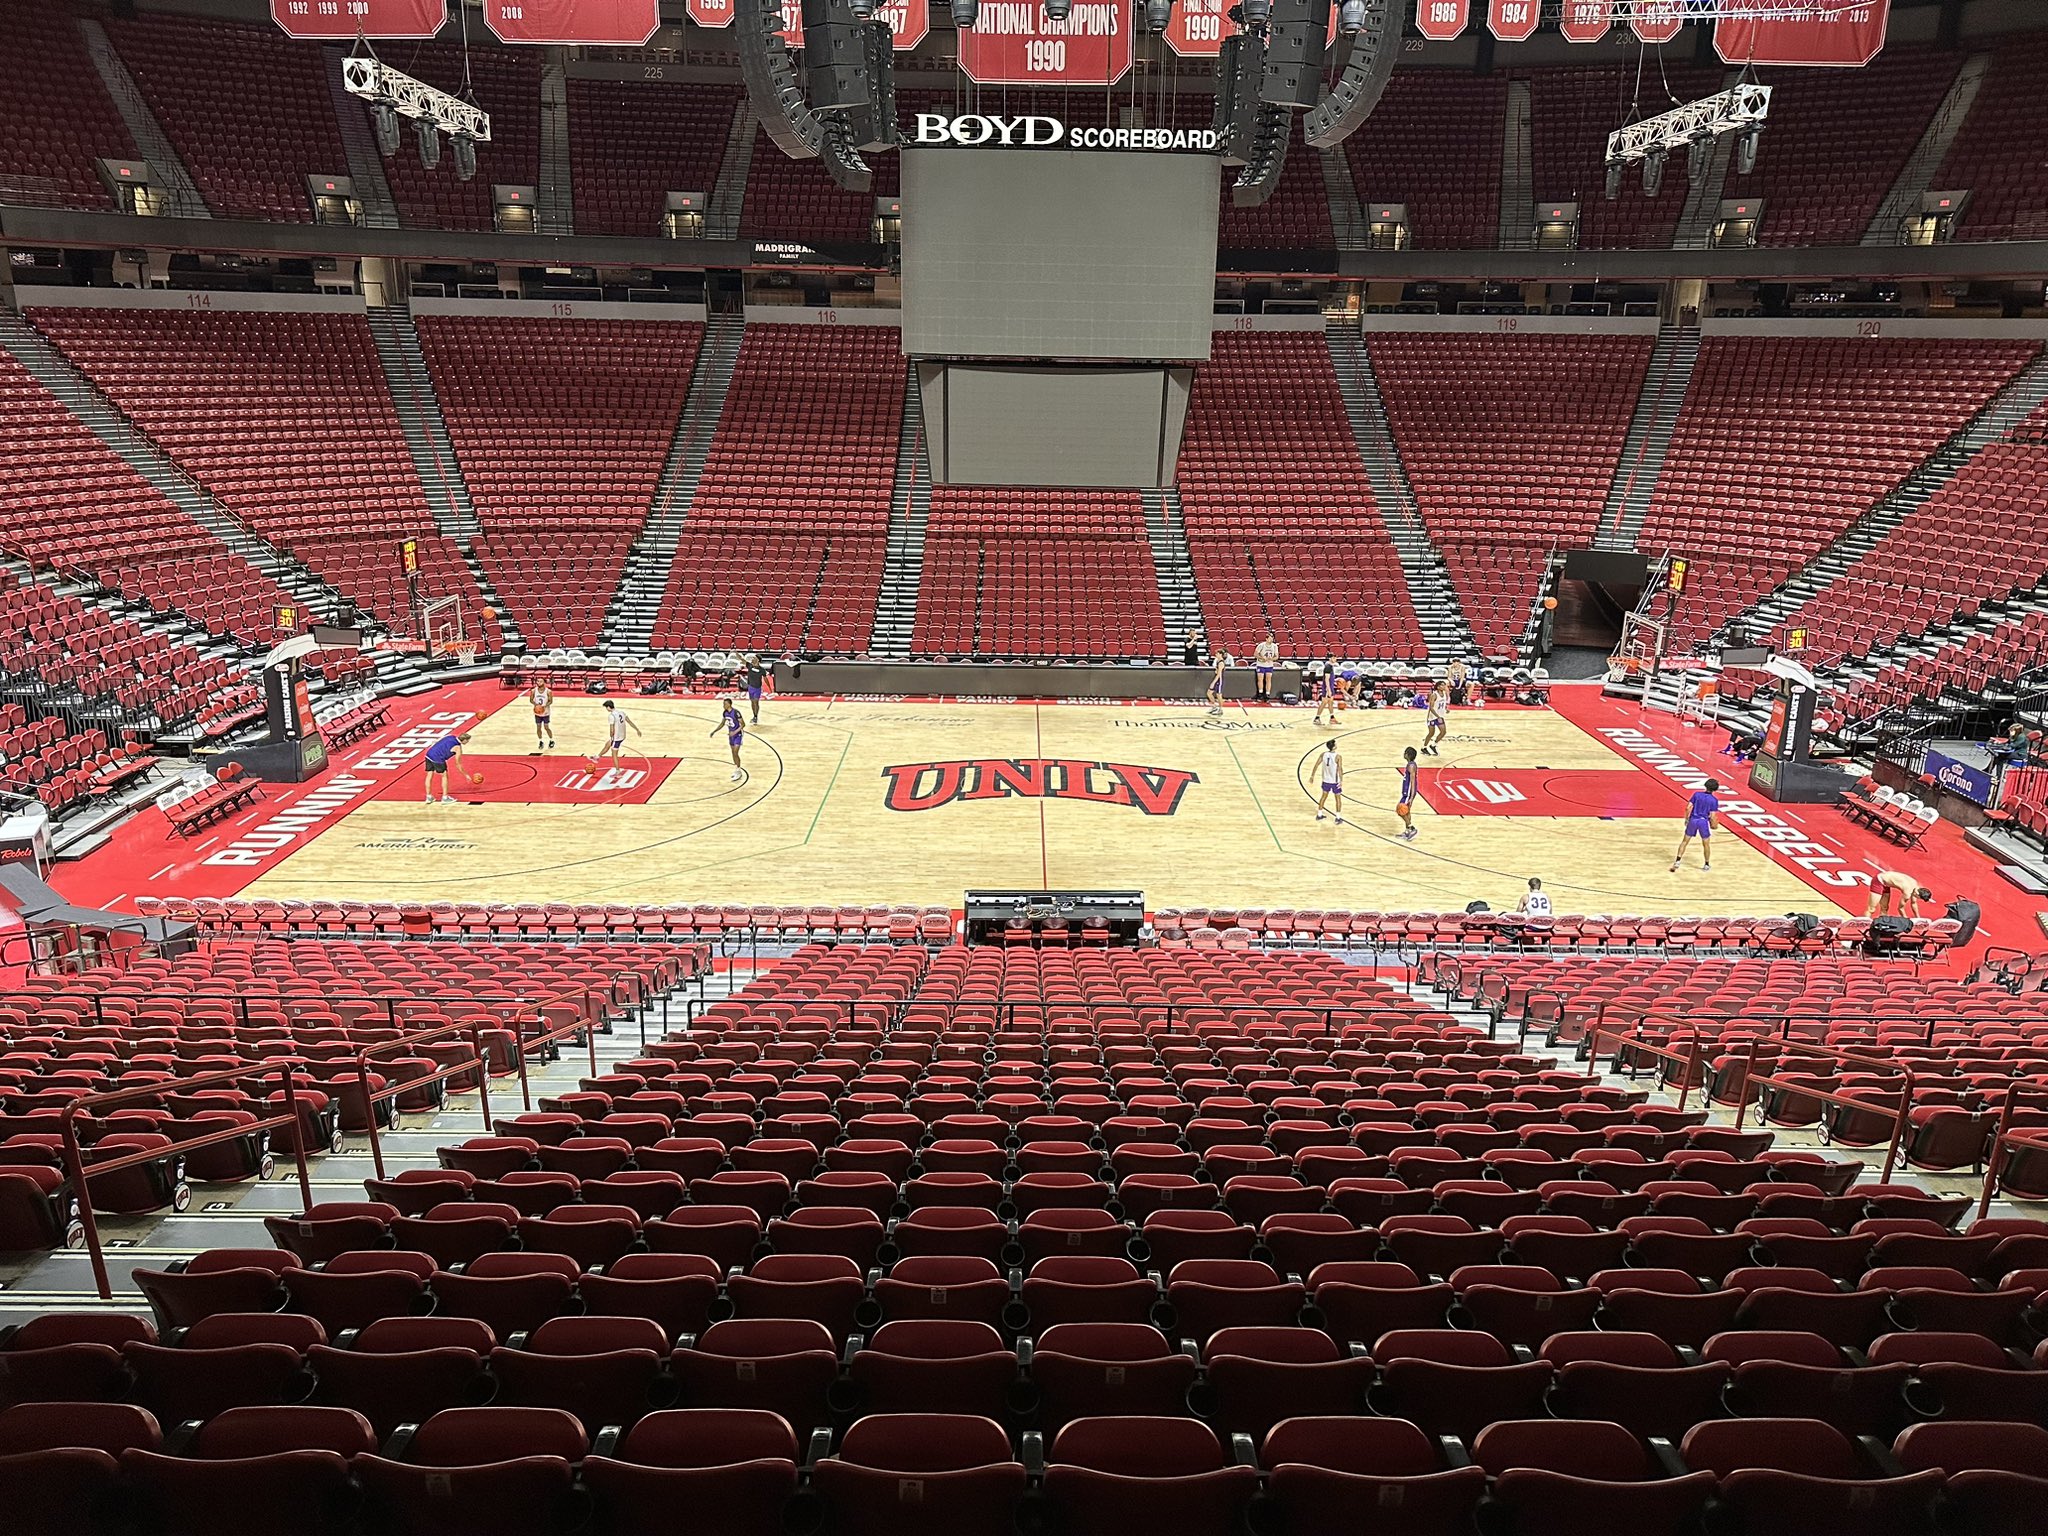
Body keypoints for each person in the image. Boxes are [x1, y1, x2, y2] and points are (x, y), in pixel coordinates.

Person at [1670, 777, 1719, 872]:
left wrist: (1687, 819)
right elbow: (1712, 816)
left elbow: (1688, 808)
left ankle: (1677, 861)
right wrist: (1714, 825)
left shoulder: (1697, 794)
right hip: (1703, 822)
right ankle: (1706, 864)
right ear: (1715, 789)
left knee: (1684, 841)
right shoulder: (1714, 800)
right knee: (1706, 844)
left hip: (1693, 820)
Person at [421, 730, 473, 805]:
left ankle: (428, 797)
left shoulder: (450, 736)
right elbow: (458, 764)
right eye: (467, 741)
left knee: (429, 775)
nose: (467, 742)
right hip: (438, 759)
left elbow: (435, 742)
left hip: (429, 755)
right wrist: (466, 775)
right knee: (444, 776)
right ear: (464, 740)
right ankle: (445, 798)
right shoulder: (457, 748)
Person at [590, 699, 641, 770]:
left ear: (608, 707)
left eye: (606, 707)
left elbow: (612, 730)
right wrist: (637, 729)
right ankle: (597, 757)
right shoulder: (621, 712)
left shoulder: (611, 716)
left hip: (617, 737)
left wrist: (612, 736)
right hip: (622, 735)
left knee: (614, 755)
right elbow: (629, 722)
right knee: (607, 744)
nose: (606, 709)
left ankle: (617, 771)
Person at [1866, 870, 1932, 920]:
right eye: (1920, 898)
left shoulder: (1915, 886)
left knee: (1884, 908)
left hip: (1886, 883)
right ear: (1918, 894)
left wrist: (1918, 918)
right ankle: (1864, 926)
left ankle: (1882, 925)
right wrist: (1906, 920)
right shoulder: (1907, 892)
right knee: (1871, 909)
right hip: (1879, 881)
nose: (1918, 899)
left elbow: (1913, 903)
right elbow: (1900, 908)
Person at [712, 697, 746, 782]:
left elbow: (743, 724)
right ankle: (737, 769)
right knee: (733, 753)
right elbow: (722, 723)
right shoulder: (725, 713)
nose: (723, 705)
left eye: (725, 704)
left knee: (735, 752)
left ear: (729, 704)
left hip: (738, 734)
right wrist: (714, 731)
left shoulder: (736, 712)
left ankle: (738, 770)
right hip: (731, 735)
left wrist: (735, 732)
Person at [1314, 739, 1344, 825]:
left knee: (1323, 797)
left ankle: (1319, 814)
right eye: (1335, 744)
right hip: (1335, 782)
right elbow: (1340, 769)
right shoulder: (1338, 757)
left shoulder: (1323, 754)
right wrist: (1341, 780)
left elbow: (1316, 765)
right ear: (1333, 747)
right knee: (1338, 799)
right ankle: (1338, 818)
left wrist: (1312, 776)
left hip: (1325, 780)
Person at [1396, 746, 1420, 841]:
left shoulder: (1411, 766)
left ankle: (1411, 828)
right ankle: (1407, 832)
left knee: (1400, 809)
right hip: (1407, 792)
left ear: (1408, 755)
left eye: (1405, 752)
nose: (1404, 754)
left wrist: (1411, 796)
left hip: (1409, 792)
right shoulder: (1410, 764)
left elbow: (1413, 781)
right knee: (1407, 811)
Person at [1421, 680, 1450, 756]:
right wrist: (1437, 716)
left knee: (1443, 732)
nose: (1444, 686)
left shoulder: (1444, 694)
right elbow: (1431, 708)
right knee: (1431, 733)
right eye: (1442, 685)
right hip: (1432, 717)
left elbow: (1443, 703)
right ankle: (1424, 747)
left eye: (1444, 685)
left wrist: (1446, 708)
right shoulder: (1434, 695)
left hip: (1440, 716)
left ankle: (1433, 745)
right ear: (1438, 687)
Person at [527, 677, 555, 751]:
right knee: (538, 727)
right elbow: (531, 700)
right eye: (538, 681)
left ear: (544, 683)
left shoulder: (548, 691)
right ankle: (540, 741)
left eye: (540, 681)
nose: (538, 682)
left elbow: (551, 701)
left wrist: (544, 706)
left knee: (546, 727)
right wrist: (536, 705)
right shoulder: (533, 691)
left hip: (546, 712)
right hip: (537, 713)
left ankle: (551, 740)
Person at [1312, 659, 1341, 727]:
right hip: (1327, 688)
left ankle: (1332, 718)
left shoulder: (1331, 666)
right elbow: (1326, 679)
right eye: (1334, 658)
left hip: (1330, 686)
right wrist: (1328, 690)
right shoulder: (1328, 667)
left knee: (1330, 702)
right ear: (1330, 658)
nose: (1335, 659)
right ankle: (1317, 718)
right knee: (1324, 702)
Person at [742, 653, 768, 726]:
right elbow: (742, 659)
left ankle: (756, 716)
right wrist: (736, 653)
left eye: (754, 658)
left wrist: (769, 687)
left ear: (758, 660)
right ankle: (754, 715)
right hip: (750, 687)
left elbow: (765, 678)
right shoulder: (749, 666)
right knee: (752, 702)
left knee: (756, 702)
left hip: (757, 688)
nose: (752, 659)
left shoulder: (762, 670)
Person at [1253, 633, 1279, 703]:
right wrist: (1262, 658)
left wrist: (1271, 659)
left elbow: (1277, 657)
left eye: (1272, 638)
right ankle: (1260, 694)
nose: (1271, 640)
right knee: (1260, 679)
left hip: (1269, 665)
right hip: (1261, 664)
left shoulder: (1274, 646)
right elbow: (1255, 654)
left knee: (1268, 679)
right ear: (1266, 639)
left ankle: (1267, 694)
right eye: (1270, 638)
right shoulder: (1261, 645)